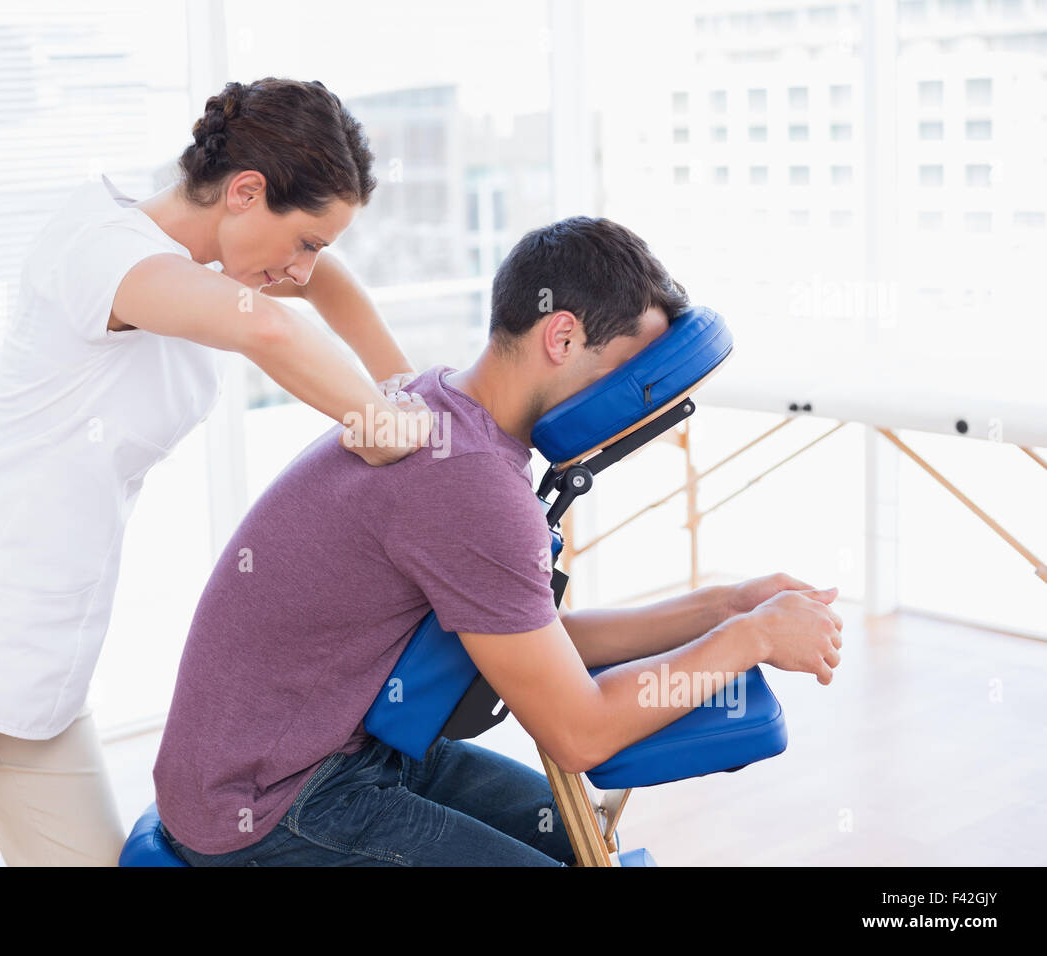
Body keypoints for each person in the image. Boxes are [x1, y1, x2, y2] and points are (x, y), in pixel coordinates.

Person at [0, 77, 431, 866]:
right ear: (244, 190)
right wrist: (381, 429)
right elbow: (267, 330)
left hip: (36, 666)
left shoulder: (208, 257)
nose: (305, 269)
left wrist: (413, 396)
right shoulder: (109, 253)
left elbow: (321, 287)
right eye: (305, 241)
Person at [152, 216, 844, 866]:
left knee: (575, 843)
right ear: (563, 337)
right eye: (630, 376)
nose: (633, 406)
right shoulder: (471, 488)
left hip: (345, 744)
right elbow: (580, 733)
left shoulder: (444, 406)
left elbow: (538, 637)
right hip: (267, 800)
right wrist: (751, 640)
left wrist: (726, 605)